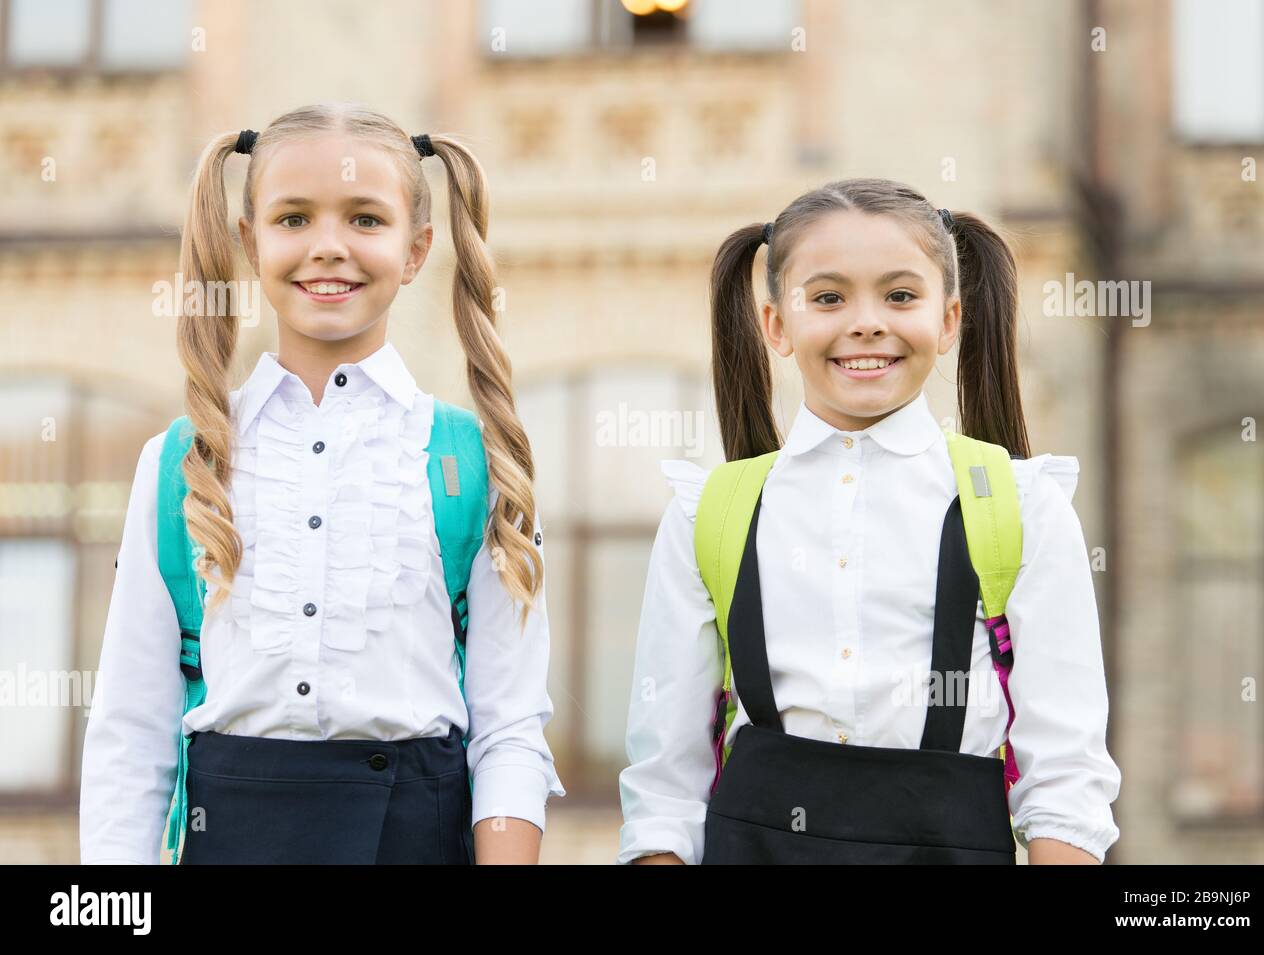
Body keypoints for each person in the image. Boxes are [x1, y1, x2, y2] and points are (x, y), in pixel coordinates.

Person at [79, 102, 563, 865]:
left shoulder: (476, 462)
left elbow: (507, 728)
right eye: (294, 218)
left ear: (415, 249)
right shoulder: (181, 462)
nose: (328, 247)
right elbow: (130, 729)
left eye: (366, 220)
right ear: (249, 241)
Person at [618, 178, 1120, 864]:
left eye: (900, 295)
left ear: (948, 320)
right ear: (776, 324)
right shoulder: (709, 513)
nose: (866, 321)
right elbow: (664, 789)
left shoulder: (1024, 507)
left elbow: (1066, 778)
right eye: (828, 297)